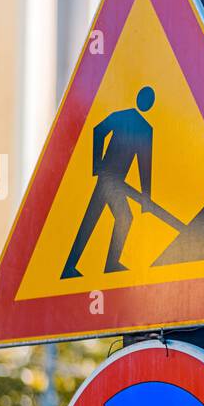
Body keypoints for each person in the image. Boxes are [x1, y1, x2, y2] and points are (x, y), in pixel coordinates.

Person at [62, 86, 156, 278]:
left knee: (96, 219)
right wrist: (96, 165)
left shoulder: (143, 127)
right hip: (110, 180)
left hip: (116, 182)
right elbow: (98, 130)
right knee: (108, 218)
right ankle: (104, 264)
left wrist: (146, 197)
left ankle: (74, 266)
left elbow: (144, 165)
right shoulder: (132, 122)